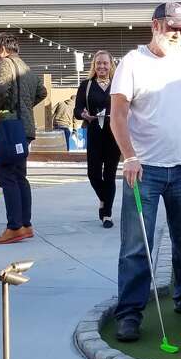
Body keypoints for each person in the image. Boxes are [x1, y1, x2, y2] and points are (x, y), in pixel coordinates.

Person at [110, 2, 181, 342]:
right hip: (144, 171)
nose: (177, 34)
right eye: (172, 27)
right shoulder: (132, 63)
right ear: (155, 25)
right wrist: (129, 156)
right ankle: (129, 314)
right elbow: (118, 114)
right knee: (137, 244)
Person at [0, 32, 47, 245]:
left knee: (7, 176)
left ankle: (14, 227)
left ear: (1, 49)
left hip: (8, 127)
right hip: (24, 129)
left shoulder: (5, 64)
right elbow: (42, 92)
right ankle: (25, 225)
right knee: (19, 176)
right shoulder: (26, 67)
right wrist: (25, 108)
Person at [74, 50, 121, 228]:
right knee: (93, 174)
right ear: (94, 65)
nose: (102, 66)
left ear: (111, 65)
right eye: (98, 63)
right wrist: (83, 114)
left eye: (105, 63)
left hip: (113, 134)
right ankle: (104, 199)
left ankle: (107, 213)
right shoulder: (86, 85)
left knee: (109, 174)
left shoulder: (118, 85)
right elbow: (77, 109)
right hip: (94, 133)